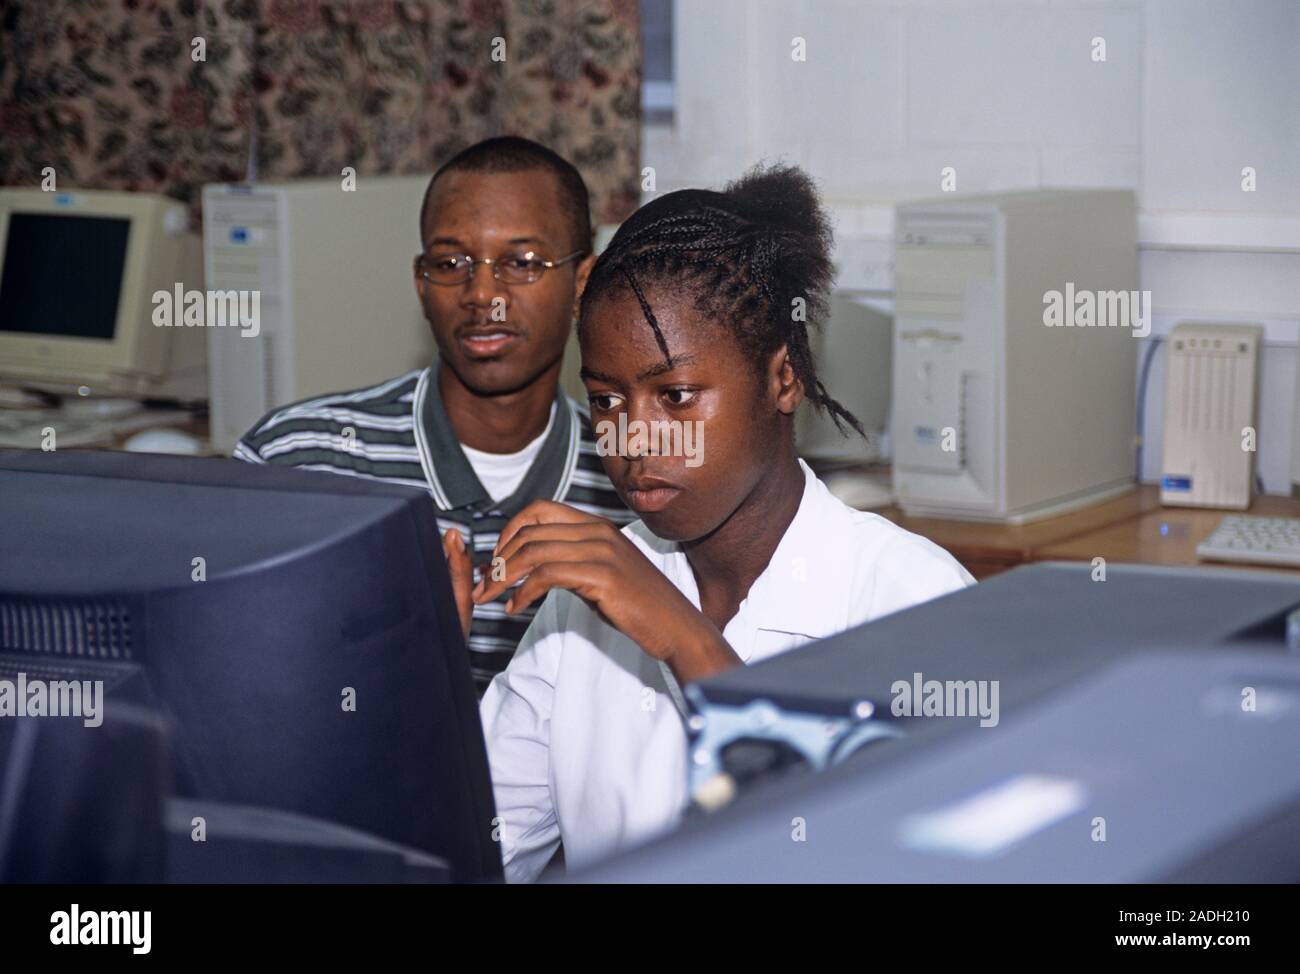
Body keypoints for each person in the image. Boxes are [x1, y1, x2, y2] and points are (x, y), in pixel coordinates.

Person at [464, 164, 976, 882]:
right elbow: (461, 853)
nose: (635, 439)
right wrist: (416, 660)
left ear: (783, 379)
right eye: (607, 401)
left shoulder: (909, 599)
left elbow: (876, 859)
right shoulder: (581, 606)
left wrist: (687, 640)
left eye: (674, 396)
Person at [234, 137, 631, 695]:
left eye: (521, 262)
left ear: (582, 283)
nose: (482, 293)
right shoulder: (297, 462)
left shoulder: (634, 483)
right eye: (451, 263)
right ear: (422, 284)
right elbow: (240, 691)